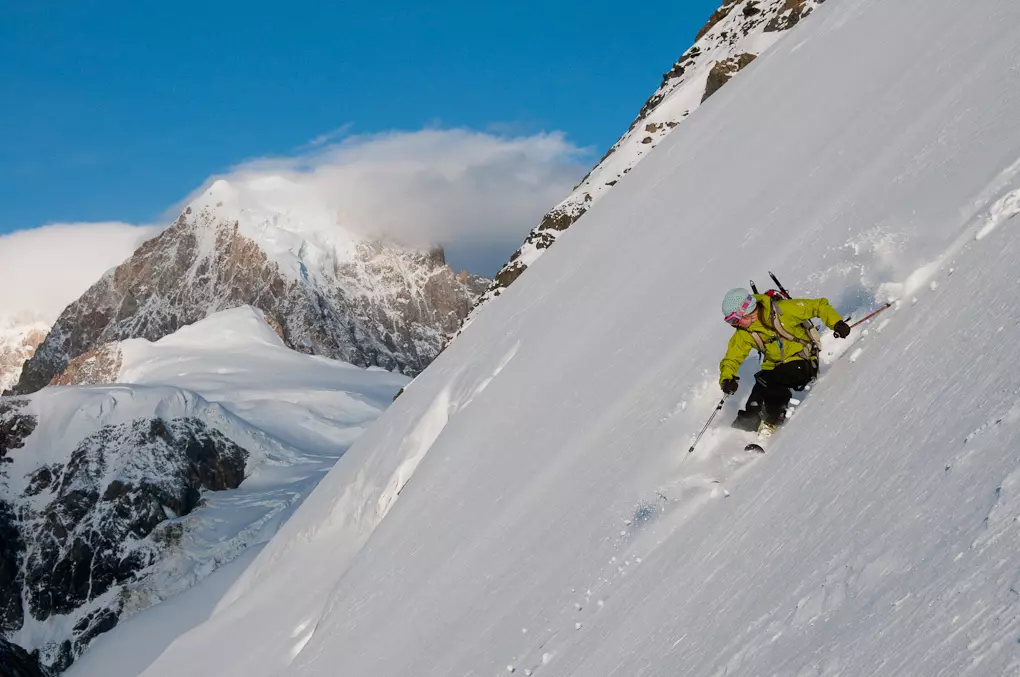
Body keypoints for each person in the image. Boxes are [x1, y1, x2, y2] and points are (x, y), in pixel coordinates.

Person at [719, 287, 851, 438]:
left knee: (774, 384)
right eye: (730, 321)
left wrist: (837, 323)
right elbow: (731, 358)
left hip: (802, 361)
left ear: (747, 309)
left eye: (735, 319)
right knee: (757, 395)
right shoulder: (744, 333)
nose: (734, 325)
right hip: (774, 368)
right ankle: (739, 434)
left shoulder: (783, 311)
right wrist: (726, 379)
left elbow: (818, 305)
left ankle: (771, 424)